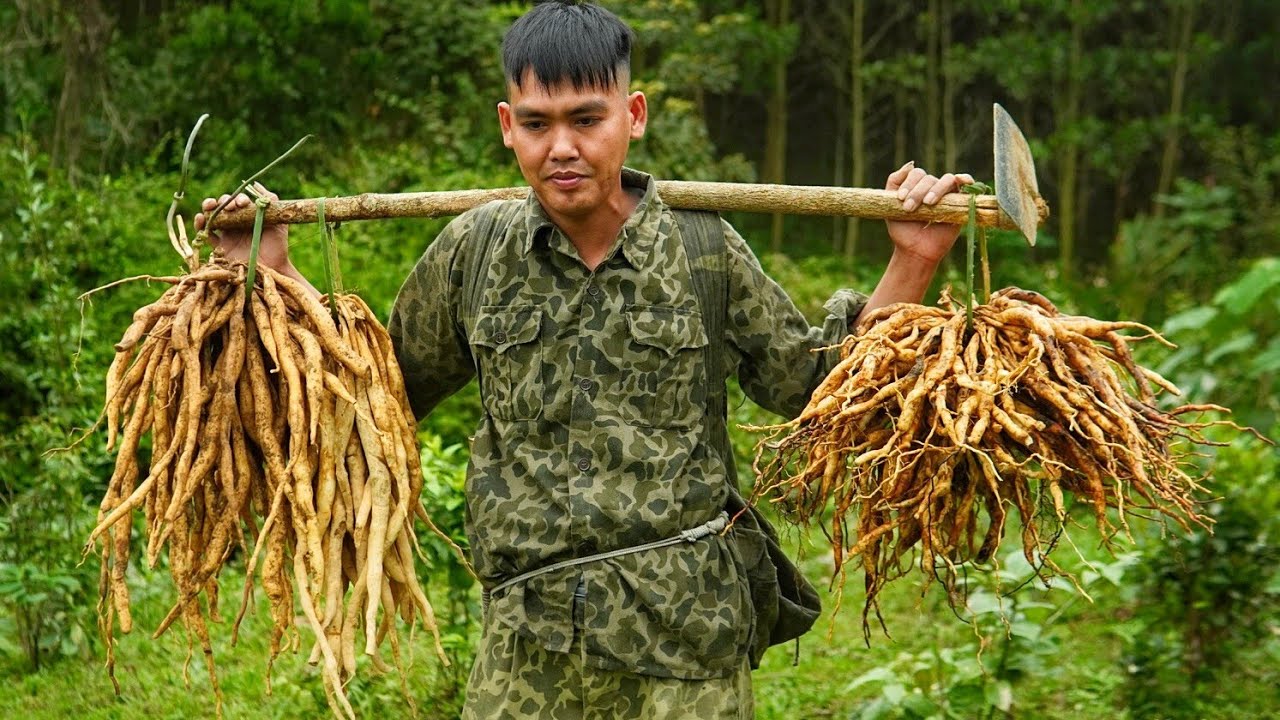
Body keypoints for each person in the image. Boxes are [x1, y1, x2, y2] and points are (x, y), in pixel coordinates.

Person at [196, 2, 972, 717]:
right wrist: (275, 279)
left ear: (632, 117)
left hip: (686, 643)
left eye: (585, 119)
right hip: (528, 646)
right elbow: (376, 398)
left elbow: (815, 389)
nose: (561, 147)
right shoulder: (477, 251)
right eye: (536, 123)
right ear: (507, 125)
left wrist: (912, 262)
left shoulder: (703, 251)